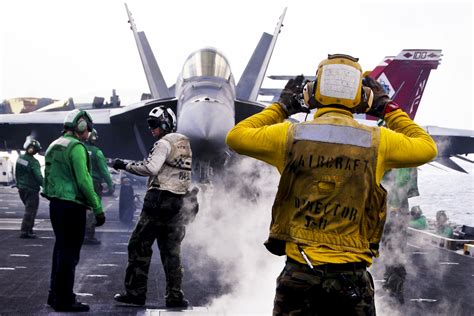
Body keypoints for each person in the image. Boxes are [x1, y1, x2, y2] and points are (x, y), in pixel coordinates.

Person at [226, 54, 437, 315]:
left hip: (300, 273)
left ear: (313, 94)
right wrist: (387, 108)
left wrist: (281, 107)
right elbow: (427, 148)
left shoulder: (290, 136)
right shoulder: (377, 141)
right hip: (351, 280)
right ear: (362, 97)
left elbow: (236, 137)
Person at [113, 106, 193, 308]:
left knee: (139, 245)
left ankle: (135, 294)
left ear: (165, 123)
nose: (151, 129)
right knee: (171, 251)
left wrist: (125, 165)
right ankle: (175, 296)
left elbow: (151, 168)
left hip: (159, 201)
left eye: (154, 124)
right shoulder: (184, 143)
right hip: (178, 203)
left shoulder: (163, 143)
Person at [42, 109, 105, 312]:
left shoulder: (54, 145)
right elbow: (85, 182)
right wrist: (97, 208)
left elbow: (48, 176)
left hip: (56, 205)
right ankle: (66, 299)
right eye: (89, 129)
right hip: (72, 207)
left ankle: (54, 295)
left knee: (59, 250)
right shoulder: (77, 147)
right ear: (81, 127)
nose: (89, 133)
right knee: (70, 254)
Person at [380, 167, 420, 304]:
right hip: (393, 207)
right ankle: (392, 287)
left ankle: (394, 289)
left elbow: (397, 184)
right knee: (391, 249)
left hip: (393, 208)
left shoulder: (401, 164)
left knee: (394, 250)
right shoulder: (409, 162)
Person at [83, 129, 114, 245]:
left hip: (80, 184)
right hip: (94, 184)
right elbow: (104, 171)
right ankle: (88, 235)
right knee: (92, 209)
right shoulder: (97, 152)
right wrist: (110, 185)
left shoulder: (79, 149)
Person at [15, 137, 44, 239]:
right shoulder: (34, 162)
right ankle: (25, 231)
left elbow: (17, 173)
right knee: (31, 211)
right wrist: (46, 185)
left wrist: (18, 184)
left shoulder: (20, 159)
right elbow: (38, 176)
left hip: (21, 189)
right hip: (31, 190)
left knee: (28, 209)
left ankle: (28, 229)